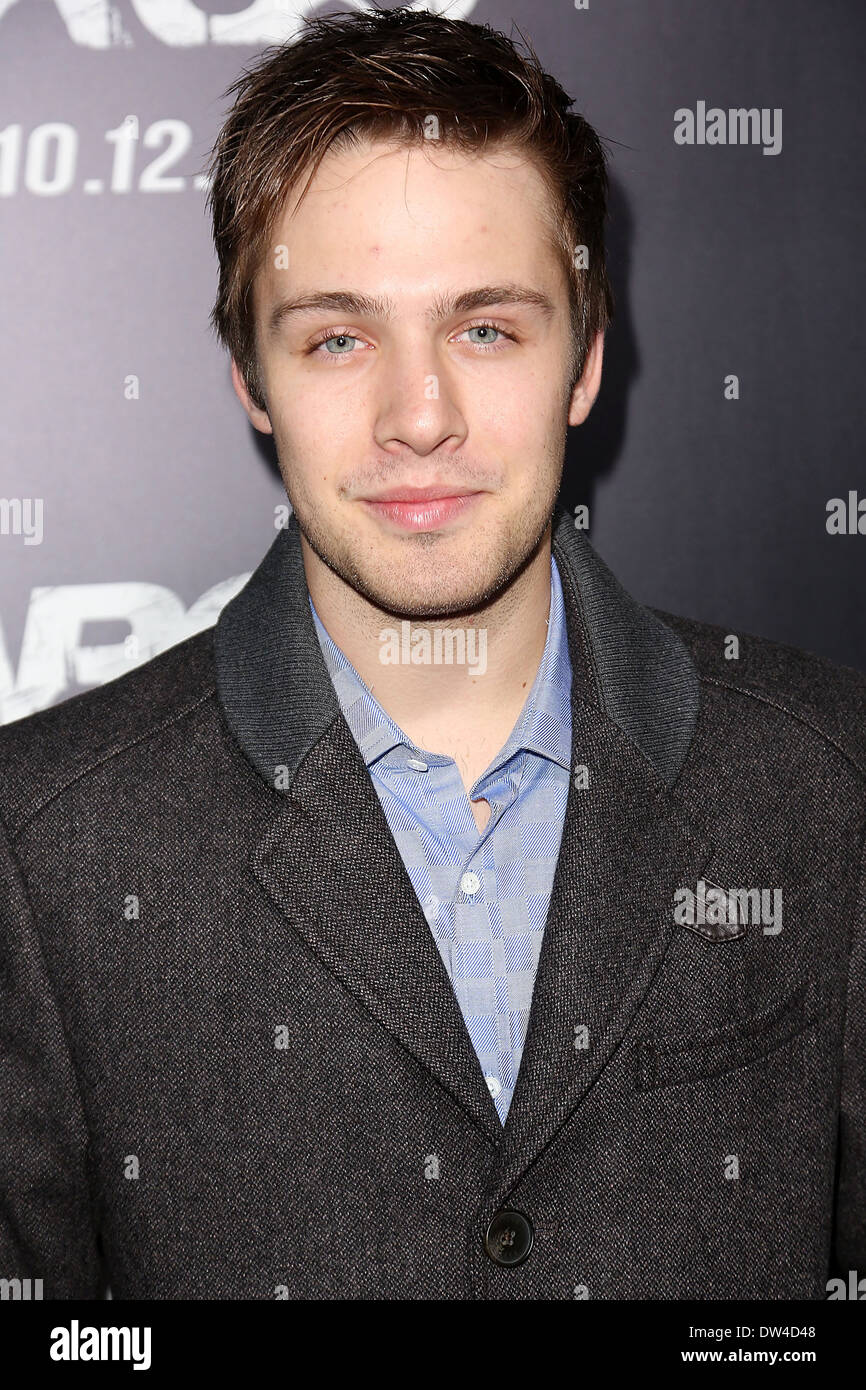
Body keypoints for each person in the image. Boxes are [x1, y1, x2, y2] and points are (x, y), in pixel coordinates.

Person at [0, 7, 863, 1301]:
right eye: (338, 336)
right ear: (249, 373)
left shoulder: (830, 780)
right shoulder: (42, 848)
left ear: (586, 355)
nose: (419, 417)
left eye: (486, 329)